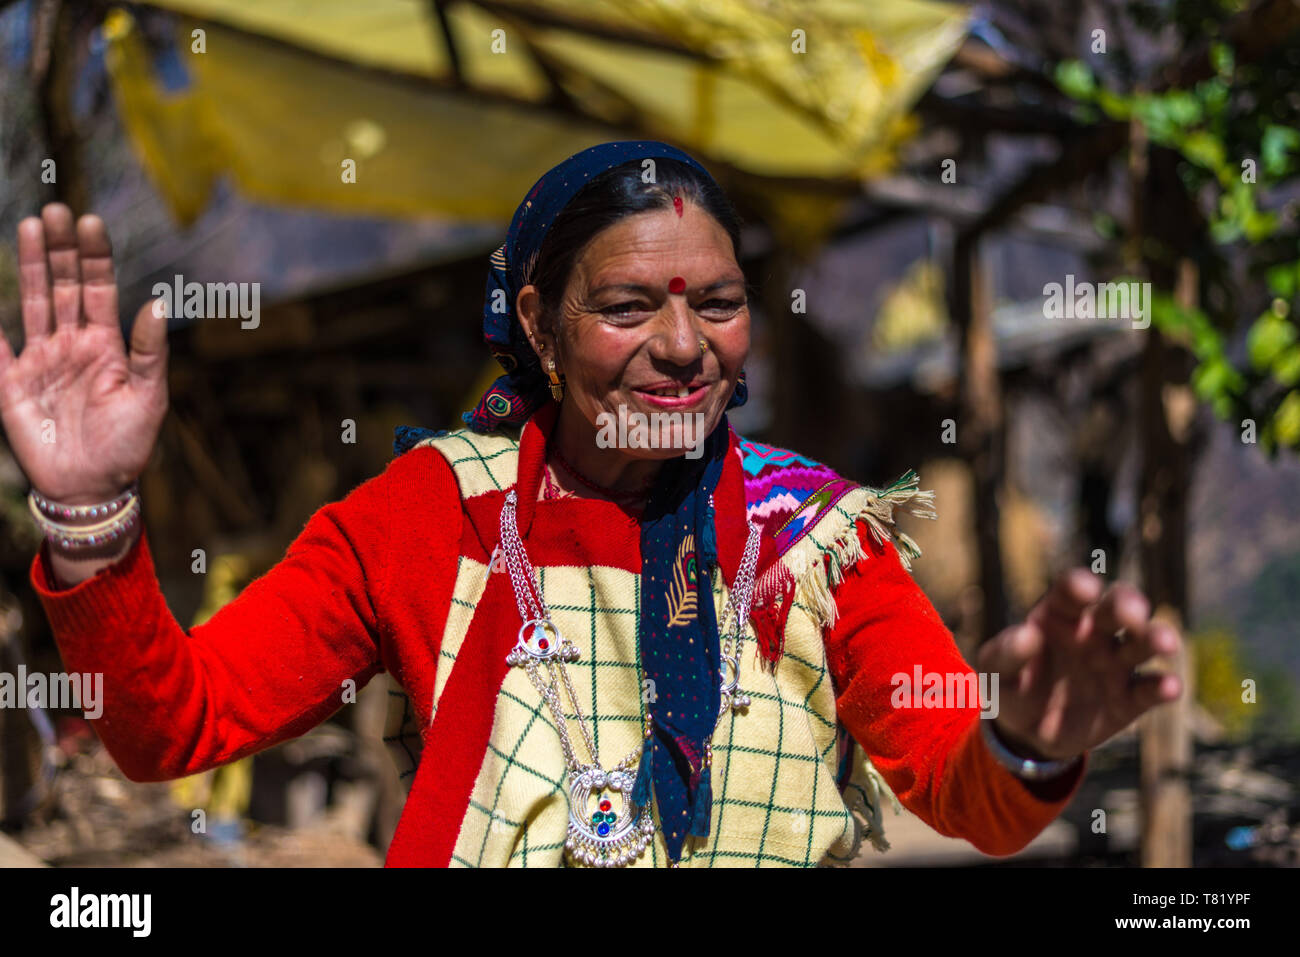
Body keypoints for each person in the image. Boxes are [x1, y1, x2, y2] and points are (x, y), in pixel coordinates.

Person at [3, 140, 1183, 868]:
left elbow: (960, 789)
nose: (684, 347)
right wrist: (92, 517)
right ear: (536, 328)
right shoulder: (429, 515)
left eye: (717, 302)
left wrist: (1026, 742)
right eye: (627, 307)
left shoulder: (811, 542)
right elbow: (173, 731)